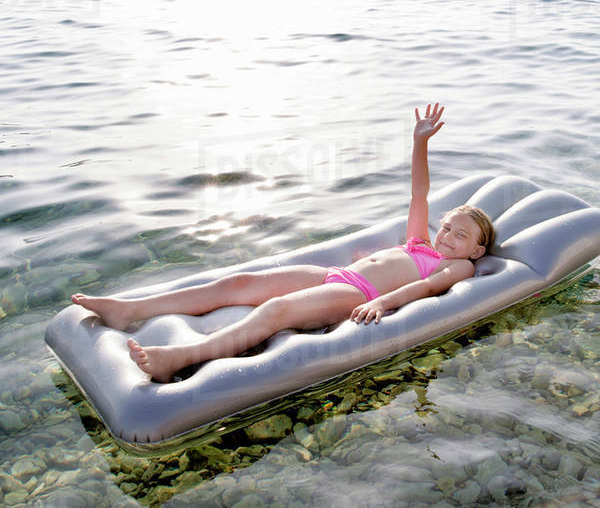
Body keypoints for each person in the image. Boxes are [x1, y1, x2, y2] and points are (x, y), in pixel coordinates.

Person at [71, 104, 495, 383]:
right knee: (237, 284)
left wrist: (382, 303)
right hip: (334, 276)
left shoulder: (461, 267)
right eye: (449, 227)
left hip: (358, 294)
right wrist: (419, 142)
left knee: (276, 311)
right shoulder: (422, 241)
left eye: (462, 235)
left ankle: (180, 358)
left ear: (477, 250)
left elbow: (423, 289)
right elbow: (419, 193)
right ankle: (130, 310)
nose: (449, 236)